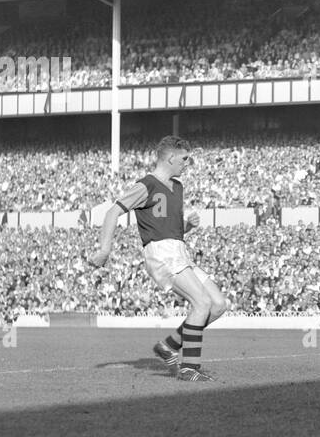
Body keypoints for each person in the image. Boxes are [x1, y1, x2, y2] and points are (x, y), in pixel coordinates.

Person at [88, 135, 229, 382]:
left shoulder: (178, 187)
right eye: (185, 158)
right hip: (161, 254)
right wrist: (104, 249)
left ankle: (168, 346)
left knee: (218, 304)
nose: (188, 163)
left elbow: (171, 231)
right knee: (202, 303)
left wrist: (188, 227)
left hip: (179, 250)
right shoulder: (146, 185)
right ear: (171, 157)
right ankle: (189, 368)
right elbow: (113, 212)